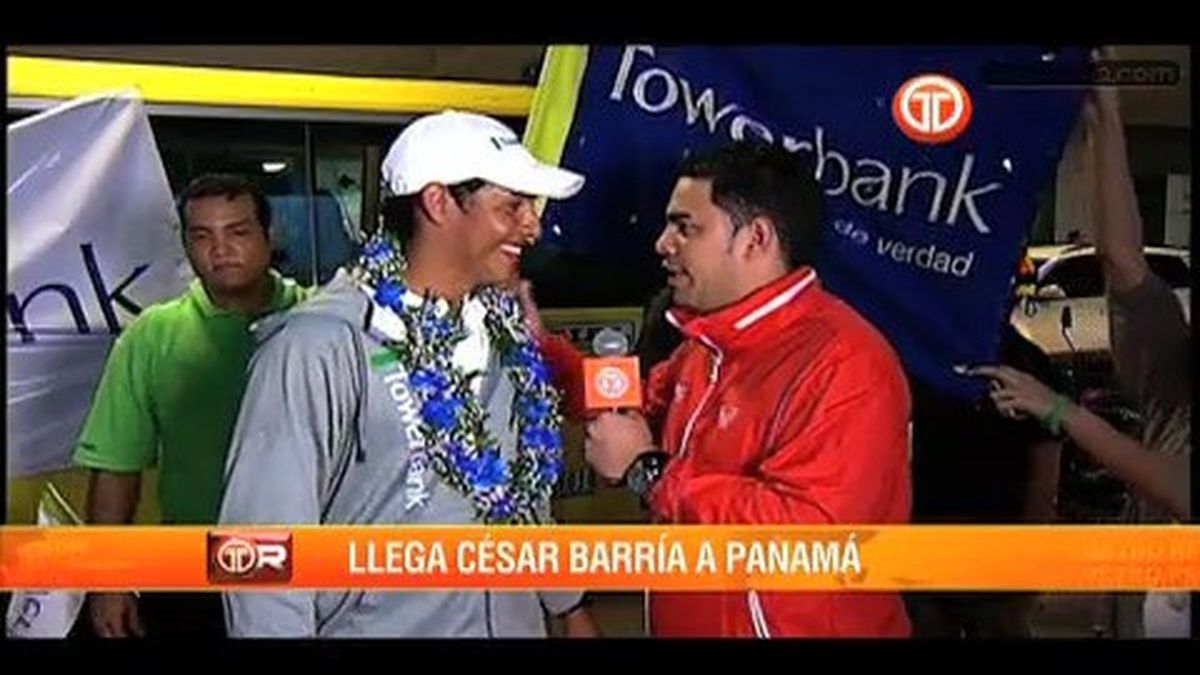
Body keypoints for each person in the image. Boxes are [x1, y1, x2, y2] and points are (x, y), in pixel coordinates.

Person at [218, 110, 599, 638]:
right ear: (439, 202)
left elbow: (520, 499)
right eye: (512, 206)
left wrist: (568, 607)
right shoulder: (320, 344)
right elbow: (256, 544)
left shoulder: (507, 336)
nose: (532, 226)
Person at [538, 142, 913, 637]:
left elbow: (810, 539)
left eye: (685, 227)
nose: (662, 244)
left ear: (755, 238)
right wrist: (539, 349)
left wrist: (652, 473)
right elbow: (627, 419)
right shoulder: (707, 348)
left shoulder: (846, 363)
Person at [73, 174, 310, 638]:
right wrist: (106, 579)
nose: (220, 250)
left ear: (269, 236)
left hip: (312, 568)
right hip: (193, 573)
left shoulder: (322, 323)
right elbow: (114, 469)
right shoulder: (152, 336)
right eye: (202, 236)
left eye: (238, 232)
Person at [905, 319, 1064, 638]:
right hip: (935, 544)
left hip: (984, 547)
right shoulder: (922, 358)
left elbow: (1046, 469)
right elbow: (1047, 470)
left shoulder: (1029, 365)